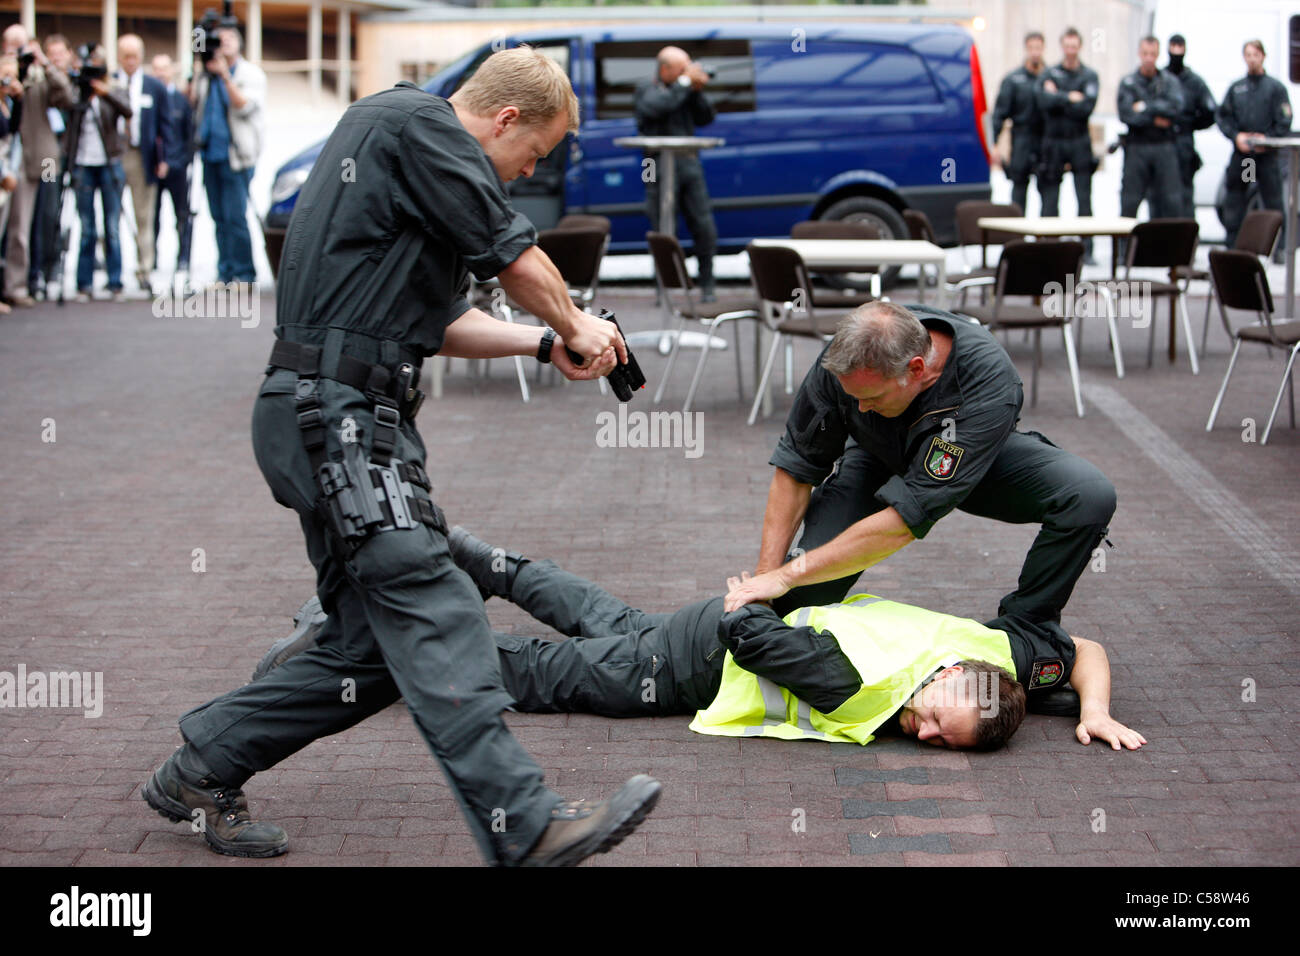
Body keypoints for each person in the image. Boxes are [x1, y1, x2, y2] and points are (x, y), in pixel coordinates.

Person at [141, 47, 659, 868]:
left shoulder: (404, 161)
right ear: (505, 118)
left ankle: (200, 768)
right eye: (537, 153)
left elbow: (441, 321)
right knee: (432, 593)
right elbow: (512, 253)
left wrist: (538, 345)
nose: (530, 171)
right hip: (337, 417)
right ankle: (525, 826)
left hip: (334, 415)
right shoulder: (416, 121)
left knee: (365, 650)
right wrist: (576, 323)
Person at [258, 528, 1147, 753]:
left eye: (932, 742)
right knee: (535, 675)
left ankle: (472, 553)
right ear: (959, 680)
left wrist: (1090, 712)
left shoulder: (995, 655)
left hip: (692, 630)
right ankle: (363, 639)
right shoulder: (861, 688)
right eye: (931, 718)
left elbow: (1088, 652)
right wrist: (745, 606)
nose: (915, 730)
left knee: (598, 615)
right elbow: (748, 633)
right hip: (694, 660)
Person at [724, 302, 1116, 632]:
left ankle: (1025, 629)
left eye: (871, 397)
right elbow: (797, 468)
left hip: (970, 461)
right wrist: (767, 576)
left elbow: (904, 522)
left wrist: (787, 574)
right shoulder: (847, 359)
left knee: (1087, 496)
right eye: (852, 397)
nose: (859, 408)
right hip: (876, 458)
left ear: (916, 369)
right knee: (794, 603)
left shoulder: (988, 381)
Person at [635, 46, 719, 301]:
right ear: (665, 69)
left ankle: (707, 285)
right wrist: (684, 83)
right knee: (661, 226)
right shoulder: (646, 89)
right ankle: (664, 286)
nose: (687, 73)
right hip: (654, 166)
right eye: (682, 69)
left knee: (703, 224)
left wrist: (696, 90)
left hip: (688, 163)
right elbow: (656, 108)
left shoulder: (685, 91)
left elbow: (706, 117)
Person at [2, 24, 72, 307]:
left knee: (44, 214)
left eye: (22, 46)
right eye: (12, 45)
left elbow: (65, 96)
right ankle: (17, 282)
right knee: (16, 224)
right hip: (11, 157)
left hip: (43, 158)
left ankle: (39, 276)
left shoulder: (40, 76)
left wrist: (44, 64)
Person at [190, 26, 264, 287]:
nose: (225, 42)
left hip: (237, 155)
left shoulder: (249, 73)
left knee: (235, 217)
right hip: (211, 154)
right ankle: (225, 272)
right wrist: (199, 70)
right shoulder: (206, 74)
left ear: (240, 43)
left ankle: (245, 274)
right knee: (218, 218)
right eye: (221, 39)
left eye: (231, 37)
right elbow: (192, 103)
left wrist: (224, 76)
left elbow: (243, 106)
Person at [66, 43, 131, 303]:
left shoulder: (113, 89)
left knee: (112, 226)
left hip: (109, 163)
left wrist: (104, 92)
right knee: (87, 227)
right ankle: (84, 283)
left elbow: (128, 110)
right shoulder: (76, 94)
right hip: (83, 164)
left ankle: (115, 283)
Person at [1217, 39, 1292, 252]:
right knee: (1238, 198)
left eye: (1255, 54)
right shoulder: (1238, 88)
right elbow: (1223, 117)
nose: (1251, 59)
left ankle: (1278, 248)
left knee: (1272, 200)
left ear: (1263, 56)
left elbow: (1284, 120)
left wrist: (1267, 139)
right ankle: (1235, 245)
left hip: (1266, 156)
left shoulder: (1274, 88)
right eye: (1248, 54)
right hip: (1246, 158)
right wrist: (1236, 136)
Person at [115, 34, 174, 296]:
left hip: (143, 156)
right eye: (125, 55)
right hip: (115, 154)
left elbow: (166, 125)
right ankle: (113, 273)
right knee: (110, 215)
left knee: (144, 216)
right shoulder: (109, 82)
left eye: (134, 56)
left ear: (141, 57)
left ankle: (145, 269)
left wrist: (164, 159)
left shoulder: (153, 86)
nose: (130, 61)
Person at [1035, 27, 1099, 259]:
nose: (1070, 51)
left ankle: (1087, 250)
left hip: (1079, 141)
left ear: (1079, 47)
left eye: (1074, 46)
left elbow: (1086, 108)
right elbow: (1043, 102)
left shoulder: (1089, 75)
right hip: (1054, 143)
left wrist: (1057, 96)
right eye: (1067, 46)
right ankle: (1049, 247)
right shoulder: (1049, 73)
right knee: (1050, 198)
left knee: (1084, 197)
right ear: (1062, 46)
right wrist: (1069, 96)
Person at [1117, 36, 1184, 221]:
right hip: (1137, 147)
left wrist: (1145, 106)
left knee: (1171, 202)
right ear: (1139, 54)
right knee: (1129, 203)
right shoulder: (1129, 82)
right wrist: (1156, 119)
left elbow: (1176, 109)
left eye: (1152, 54)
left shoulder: (1169, 82)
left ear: (1158, 55)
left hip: (1164, 146)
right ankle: (1125, 250)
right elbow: (1127, 115)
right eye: (1145, 53)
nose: (1148, 58)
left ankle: (1170, 249)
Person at [991, 31, 1045, 213]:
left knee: (1049, 194)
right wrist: (994, 144)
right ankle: (1017, 239)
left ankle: (1048, 240)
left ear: (1043, 49)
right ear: (1026, 49)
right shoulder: (1013, 79)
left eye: (1038, 48)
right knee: (1019, 192)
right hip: (1022, 139)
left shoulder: (1050, 77)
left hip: (1046, 140)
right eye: (1032, 48)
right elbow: (999, 114)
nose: (1035, 52)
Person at [150, 53, 194, 277]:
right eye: (156, 68)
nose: (160, 73)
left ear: (171, 71)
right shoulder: (148, 97)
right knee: (152, 216)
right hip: (153, 169)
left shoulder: (180, 100)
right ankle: (152, 259)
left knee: (182, 215)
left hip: (176, 170)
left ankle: (184, 257)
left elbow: (188, 138)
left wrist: (176, 163)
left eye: (164, 68)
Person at [1165, 34, 1217, 220]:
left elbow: (1212, 113)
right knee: (1162, 194)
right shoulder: (1162, 78)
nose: (1176, 52)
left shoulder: (1195, 82)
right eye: (1173, 47)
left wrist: (1190, 125)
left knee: (1185, 195)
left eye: (1180, 47)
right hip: (1163, 142)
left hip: (1184, 143)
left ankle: (1186, 241)